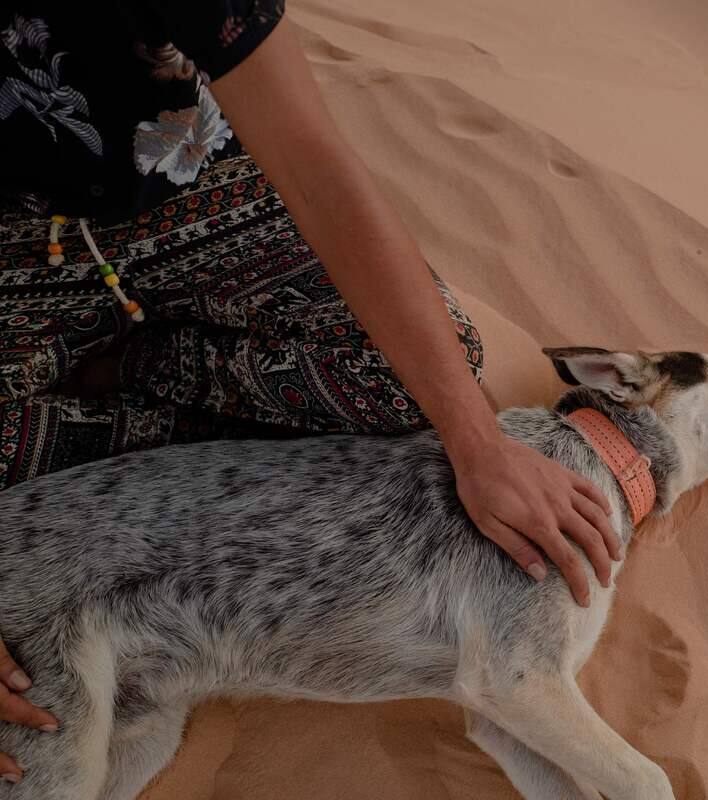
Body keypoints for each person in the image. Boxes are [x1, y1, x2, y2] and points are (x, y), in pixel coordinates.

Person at [0, 2, 619, 783]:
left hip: (193, 185)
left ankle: (132, 369)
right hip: (19, 249)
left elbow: (318, 168)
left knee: (417, 381)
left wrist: (479, 444)